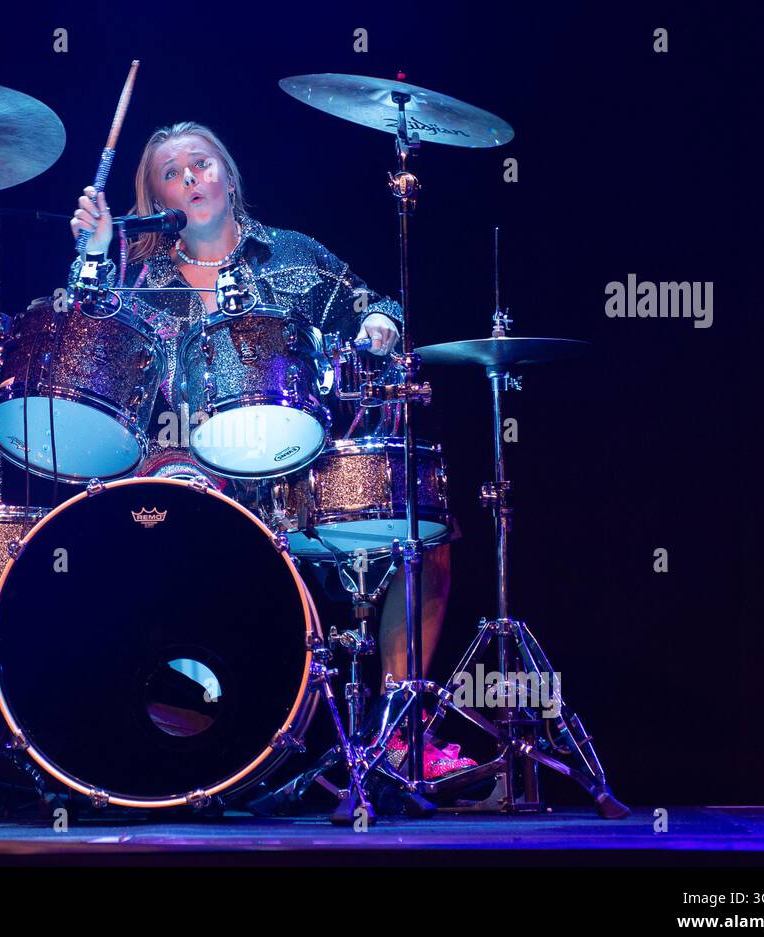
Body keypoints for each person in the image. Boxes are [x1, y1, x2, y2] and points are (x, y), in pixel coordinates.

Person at [68, 121, 471, 777]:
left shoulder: (292, 255)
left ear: (228, 173)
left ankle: (401, 731)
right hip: (192, 480)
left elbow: (379, 305)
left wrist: (376, 324)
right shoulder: (138, 281)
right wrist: (96, 250)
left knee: (425, 536)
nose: (191, 177)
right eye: (172, 173)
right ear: (157, 200)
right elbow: (88, 346)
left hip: (294, 476)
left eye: (201, 163)